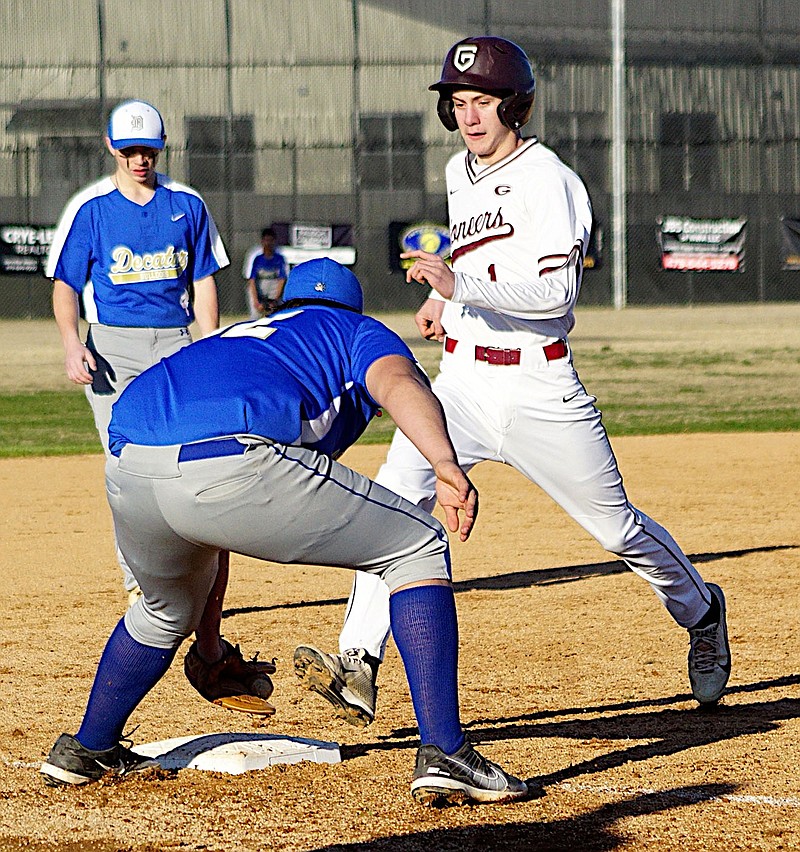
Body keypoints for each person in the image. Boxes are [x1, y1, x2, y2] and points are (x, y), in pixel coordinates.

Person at [292, 36, 731, 727]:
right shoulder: (457, 172)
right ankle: (358, 661)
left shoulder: (549, 179)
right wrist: (446, 301)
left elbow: (556, 295)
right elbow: (482, 257)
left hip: (538, 388)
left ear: (515, 105)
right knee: (395, 499)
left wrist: (457, 280)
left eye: (484, 101)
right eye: (459, 102)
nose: (469, 116)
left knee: (615, 530)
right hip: (462, 381)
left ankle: (701, 610)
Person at [39, 258, 528, 807]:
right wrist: (444, 463)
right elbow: (395, 380)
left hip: (128, 465)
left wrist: (208, 642)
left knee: (160, 611)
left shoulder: (240, 337)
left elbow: (210, 535)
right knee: (418, 546)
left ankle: (86, 749)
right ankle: (447, 752)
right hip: (231, 461)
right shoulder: (354, 329)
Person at [46, 99, 259, 697]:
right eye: (129, 149)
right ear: (112, 148)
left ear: (160, 149)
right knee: (125, 465)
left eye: (149, 150)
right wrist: (71, 344)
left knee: (193, 457)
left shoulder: (186, 205)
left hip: (175, 341)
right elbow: (67, 286)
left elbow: (201, 280)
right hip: (114, 347)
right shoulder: (90, 209)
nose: (140, 159)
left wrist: (207, 343)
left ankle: (191, 582)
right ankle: (140, 584)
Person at [243, 226, 287, 319]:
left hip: (273, 289)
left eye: (271, 240)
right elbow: (252, 280)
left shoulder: (279, 258)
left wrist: (275, 300)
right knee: (255, 318)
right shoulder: (257, 258)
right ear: (262, 241)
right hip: (259, 288)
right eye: (266, 240)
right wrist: (256, 302)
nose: (268, 243)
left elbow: (282, 279)